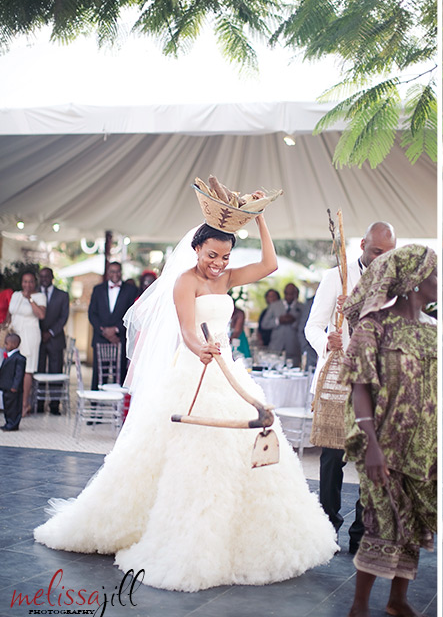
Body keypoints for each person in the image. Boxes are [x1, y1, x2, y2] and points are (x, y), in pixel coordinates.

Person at [34, 188, 338, 592]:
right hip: (195, 370)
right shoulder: (184, 282)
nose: (218, 264)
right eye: (212, 255)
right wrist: (202, 349)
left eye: (225, 257)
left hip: (228, 371)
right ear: (196, 249)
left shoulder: (228, 277)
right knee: (187, 452)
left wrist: (258, 216)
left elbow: (270, 263)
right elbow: (187, 333)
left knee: (241, 449)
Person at [341, 245, 437, 617]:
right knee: (382, 522)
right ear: (414, 282)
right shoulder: (374, 327)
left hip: (422, 448)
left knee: (413, 526)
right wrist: (372, 444)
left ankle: (397, 600)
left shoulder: (433, 329)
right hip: (382, 445)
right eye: (433, 274)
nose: (439, 281)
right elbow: (359, 386)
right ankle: (357, 609)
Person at [305, 221, 396, 555]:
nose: (382, 258)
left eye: (388, 252)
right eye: (377, 251)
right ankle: (328, 527)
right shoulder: (336, 278)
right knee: (332, 458)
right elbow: (312, 326)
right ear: (362, 246)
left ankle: (361, 533)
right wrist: (326, 343)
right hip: (338, 380)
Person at [88, 262, 138, 388]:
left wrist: (116, 330)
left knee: (120, 376)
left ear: (121, 272)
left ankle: (119, 400)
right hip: (100, 338)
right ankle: (97, 399)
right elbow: (92, 314)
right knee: (99, 376)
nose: (115, 274)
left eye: (117, 271)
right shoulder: (98, 289)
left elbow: (132, 314)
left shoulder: (131, 290)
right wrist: (104, 331)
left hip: (120, 339)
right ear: (108, 273)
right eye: (112, 271)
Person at [6, 271, 46, 415]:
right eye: (25, 281)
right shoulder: (16, 295)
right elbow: (9, 314)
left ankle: (25, 404)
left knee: (27, 369)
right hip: (14, 335)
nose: (27, 284)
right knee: (12, 367)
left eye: (30, 281)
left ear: (35, 283)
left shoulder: (40, 296)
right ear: (21, 283)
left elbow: (41, 315)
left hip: (30, 335)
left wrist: (30, 299)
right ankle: (12, 403)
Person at [37, 267, 69, 415]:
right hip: (38, 339)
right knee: (39, 370)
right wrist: (40, 333)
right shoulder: (34, 293)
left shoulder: (62, 295)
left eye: (47, 276)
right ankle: (39, 404)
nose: (44, 279)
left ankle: (55, 405)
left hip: (55, 338)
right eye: (41, 276)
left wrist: (50, 333)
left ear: (52, 277)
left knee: (55, 371)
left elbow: (63, 317)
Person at [267, 283, 307, 362]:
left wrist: (294, 321)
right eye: (287, 293)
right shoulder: (275, 305)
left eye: (291, 294)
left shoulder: (302, 307)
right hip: (276, 347)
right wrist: (278, 320)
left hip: (293, 349)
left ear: (296, 294)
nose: (289, 296)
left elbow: (305, 326)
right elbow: (264, 324)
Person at [1, 333, 28, 431]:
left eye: (6, 343)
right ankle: (8, 422)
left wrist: (15, 386)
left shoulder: (20, 359)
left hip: (13, 388)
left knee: (14, 406)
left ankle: (13, 424)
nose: (5, 345)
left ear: (13, 345)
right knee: (7, 406)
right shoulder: (8, 356)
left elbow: (19, 374)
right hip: (6, 386)